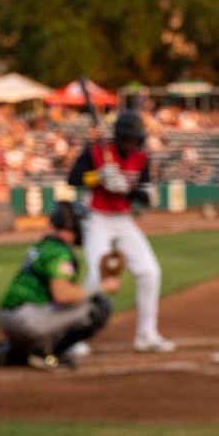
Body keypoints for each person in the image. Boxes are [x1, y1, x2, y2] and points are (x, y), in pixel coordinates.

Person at [66, 109, 172, 352]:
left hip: (123, 219)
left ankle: (147, 335)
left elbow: (146, 194)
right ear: (119, 135)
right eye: (128, 138)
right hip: (97, 218)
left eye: (135, 138)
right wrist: (98, 177)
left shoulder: (142, 158)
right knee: (97, 275)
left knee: (149, 272)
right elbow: (72, 178)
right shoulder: (95, 151)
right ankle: (73, 338)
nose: (132, 142)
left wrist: (127, 189)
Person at [0, 201, 119, 369]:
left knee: (72, 303)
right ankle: (48, 354)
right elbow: (62, 295)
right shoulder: (60, 252)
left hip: (7, 317)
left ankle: (2, 352)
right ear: (71, 224)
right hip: (27, 320)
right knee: (99, 306)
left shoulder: (44, 245)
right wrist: (101, 286)